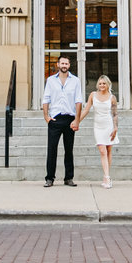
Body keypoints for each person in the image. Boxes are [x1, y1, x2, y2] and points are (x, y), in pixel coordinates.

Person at [40, 55, 83, 186]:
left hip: (70, 119)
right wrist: (46, 117)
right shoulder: (51, 80)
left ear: (69, 65)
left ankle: (68, 178)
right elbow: (46, 99)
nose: (64, 66)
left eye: (66, 64)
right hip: (55, 119)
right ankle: (49, 178)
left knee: (69, 150)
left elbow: (78, 101)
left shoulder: (75, 81)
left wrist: (77, 120)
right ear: (58, 64)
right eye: (62, 63)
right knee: (52, 149)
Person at [75, 74, 119, 187]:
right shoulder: (93, 95)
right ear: (97, 85)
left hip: (109, 126)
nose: (102, 85)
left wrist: (115, 128)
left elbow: (114, 114)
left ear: (108, 84)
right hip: (98, 127)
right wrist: (77, 121)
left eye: (104, 83)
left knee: (109, 151)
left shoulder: (112, 97)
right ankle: (107, 178)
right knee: (102, 151)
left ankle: (106, 177)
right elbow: (86, 110)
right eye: (100, 83)